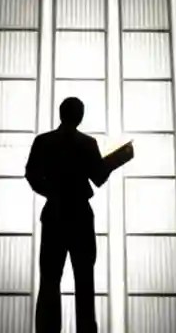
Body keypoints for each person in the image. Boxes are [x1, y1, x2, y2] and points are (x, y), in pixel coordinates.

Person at [25, 97, 132, 333]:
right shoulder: (87, 143)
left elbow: (31, 175)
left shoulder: (43, 141)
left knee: (50, 280)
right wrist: (118, 159)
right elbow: (98, 177)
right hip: (80, 215)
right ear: (80, 116)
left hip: (54, 214)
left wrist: (51, 191)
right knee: (84, 281)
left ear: (61, 113)